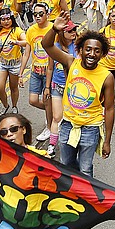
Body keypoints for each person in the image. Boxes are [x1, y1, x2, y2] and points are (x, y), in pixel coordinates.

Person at [42, 18, 115, 177]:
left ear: (102, 54)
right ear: (80, 51)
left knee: (86, 168)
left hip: (91, 128)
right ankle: (73, 190)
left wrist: (107, 141)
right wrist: (54, 29)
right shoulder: (70, 62)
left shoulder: (107, 77)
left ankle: (85, 197)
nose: (92, 54)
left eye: (97, 51)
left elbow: (109, 109)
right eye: (88, 49)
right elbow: (46, 45)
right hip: (68, 124)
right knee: (66, 165)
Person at [20, 3, 54, 142]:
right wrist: (21, 73)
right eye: (35, 14)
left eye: (41, 13)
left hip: (49, 72)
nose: (38, 17)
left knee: (47, 100)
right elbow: (27, 53)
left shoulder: (52, 29)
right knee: (33, 100)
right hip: (35, 71)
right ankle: (53, 112)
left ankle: (50, 126)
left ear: (47, 14)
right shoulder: (31, 30)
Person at [44, 19, 78, 158]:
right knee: (57, 117)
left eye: (74, 29)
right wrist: (47, 87)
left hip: (74, 88)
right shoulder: (55, 47)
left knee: (73, 118)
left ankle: (72, 145)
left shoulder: (79, 47)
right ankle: (52, 145)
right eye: (70, 31)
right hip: (57, 86)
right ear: (62, 33)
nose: (73, 33)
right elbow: (50, 68)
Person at [0, 9, 27, 115]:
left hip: (15, 65)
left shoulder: (16, 30)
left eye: (8, 19)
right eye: (3, 19)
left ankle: (14, 106)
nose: (6, 21)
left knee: (13, 87)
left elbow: (26, 42)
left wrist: (17, 42)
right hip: (1, 64)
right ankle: (5, 106)